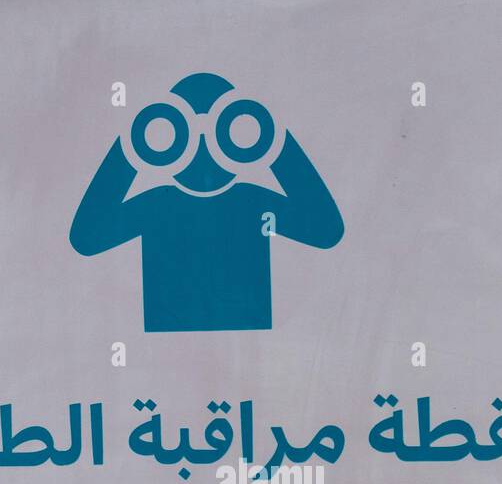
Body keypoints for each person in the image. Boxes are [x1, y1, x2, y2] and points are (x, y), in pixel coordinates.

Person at [70, 71, 343, 332]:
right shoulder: (252, 203)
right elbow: (86, 239)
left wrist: (129, 152)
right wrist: (277, 148)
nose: (202, 144)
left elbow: (327, 230)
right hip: (195, 347)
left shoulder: (159, 206)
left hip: (219, 344)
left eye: (223, 129)